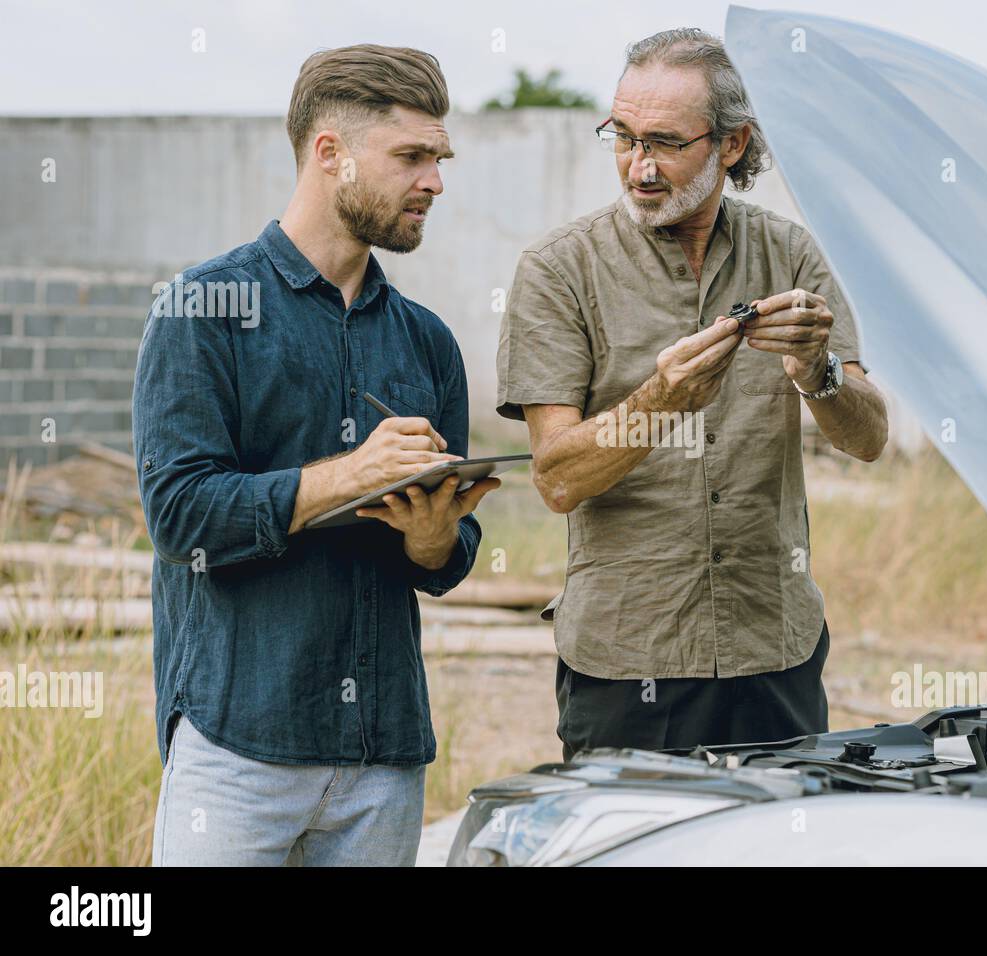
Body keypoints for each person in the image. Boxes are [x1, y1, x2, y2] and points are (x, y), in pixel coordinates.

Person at [134, 44, 498, 866]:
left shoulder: (428, 342)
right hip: (238, 754)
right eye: (411, 156)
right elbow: (181, 520)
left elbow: (446, 563)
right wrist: (349, 475)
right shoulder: (202, 311)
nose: (434, 181)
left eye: (439, 159)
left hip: (386, 761)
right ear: (329, 155)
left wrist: (434, 533)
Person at [495, 28, 889, 761]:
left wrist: (819, 374)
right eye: (623, 137)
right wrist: (661, 401)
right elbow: (555, 478)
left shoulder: (792, 254)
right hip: (626, 661)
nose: (638, 168)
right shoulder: (558, 271)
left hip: (774, 651)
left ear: (732, 145)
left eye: (666, 143)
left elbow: (868, 438)